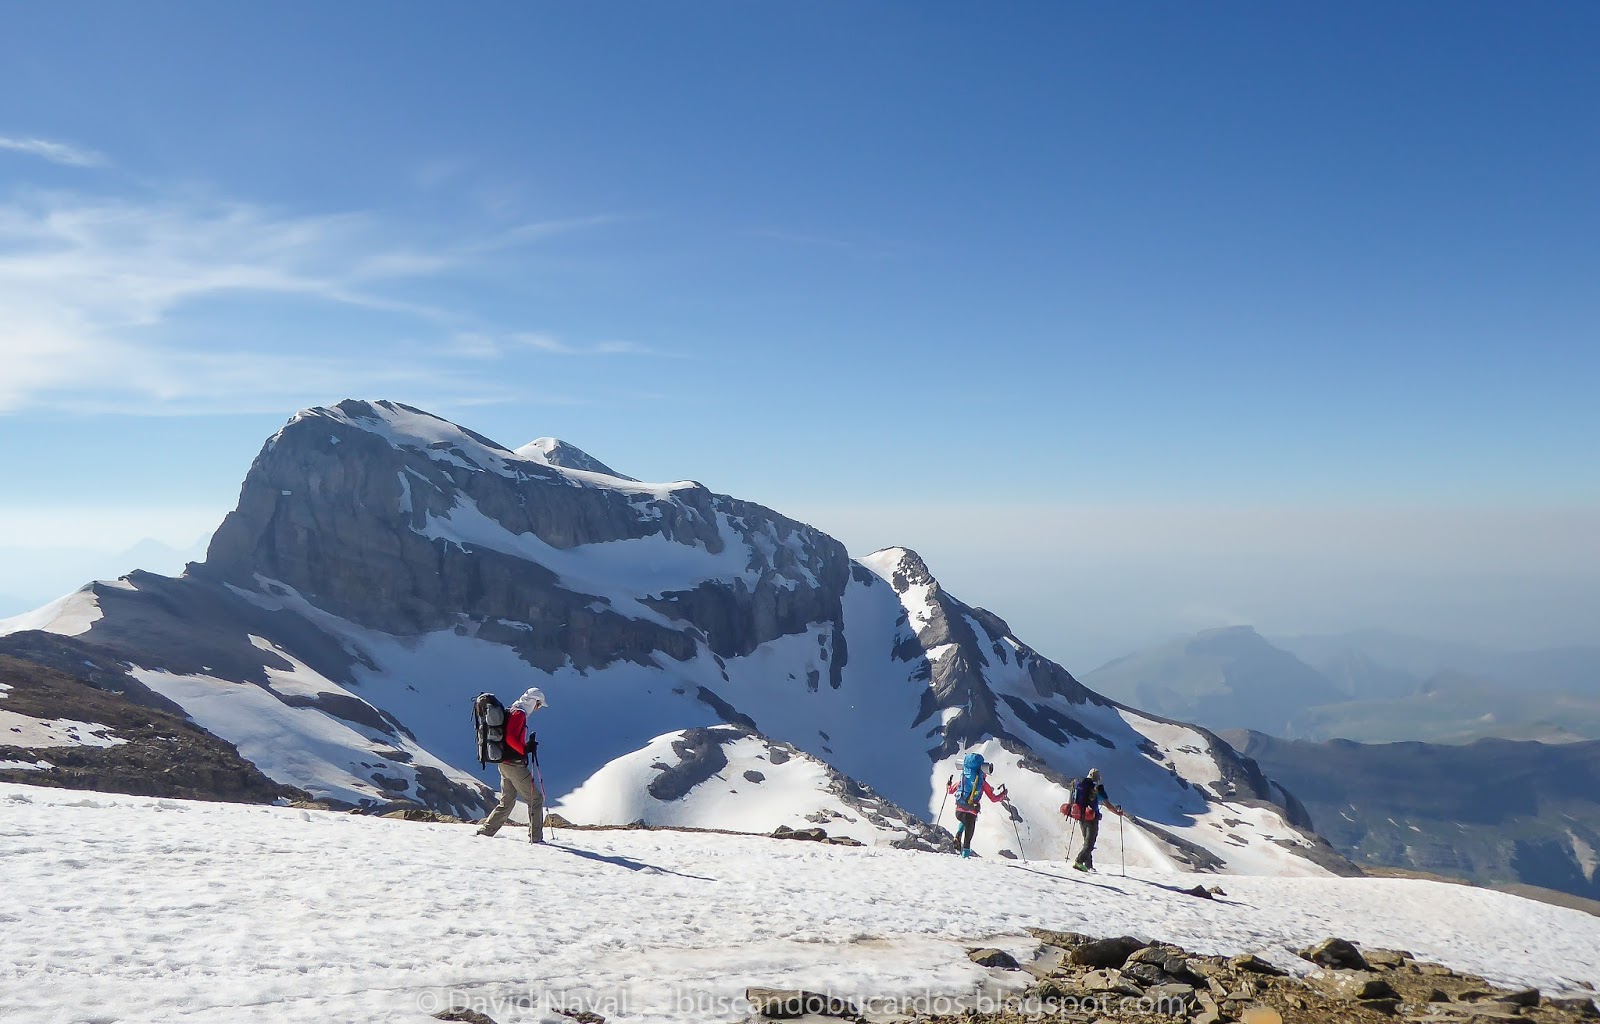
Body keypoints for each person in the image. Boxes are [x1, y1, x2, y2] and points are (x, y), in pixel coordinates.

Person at [476, 687, 548, 843]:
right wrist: (525, 749)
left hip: (503, 763)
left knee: (507, 800)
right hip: (514, 765)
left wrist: (526, 745)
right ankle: (536, 838)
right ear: (534, 702)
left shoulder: (512, 710)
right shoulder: (519, 714)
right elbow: (510, 738)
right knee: (535, 799)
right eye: (539, 705)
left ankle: (486, 831)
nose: (538, 708)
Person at [947, 752, 1008, 858]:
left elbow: (950, 791)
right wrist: (1003, 794)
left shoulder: (963, 779)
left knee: (963, 821)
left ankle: (958, 833)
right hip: (971, 813)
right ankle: (965, 858)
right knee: (968, 839)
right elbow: (993, 799)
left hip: (958, 811)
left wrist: (948, 784)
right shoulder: (982, 783)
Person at [1064, 767, 1122, 872]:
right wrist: (1117, 813)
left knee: (1087, 840)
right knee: (1090, 843)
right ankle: (1079, 861)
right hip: (1091, 817)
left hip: (1080, 815)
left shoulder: (1078, 785)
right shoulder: (1097, 788)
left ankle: (1088, 865)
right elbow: (1108, 805)